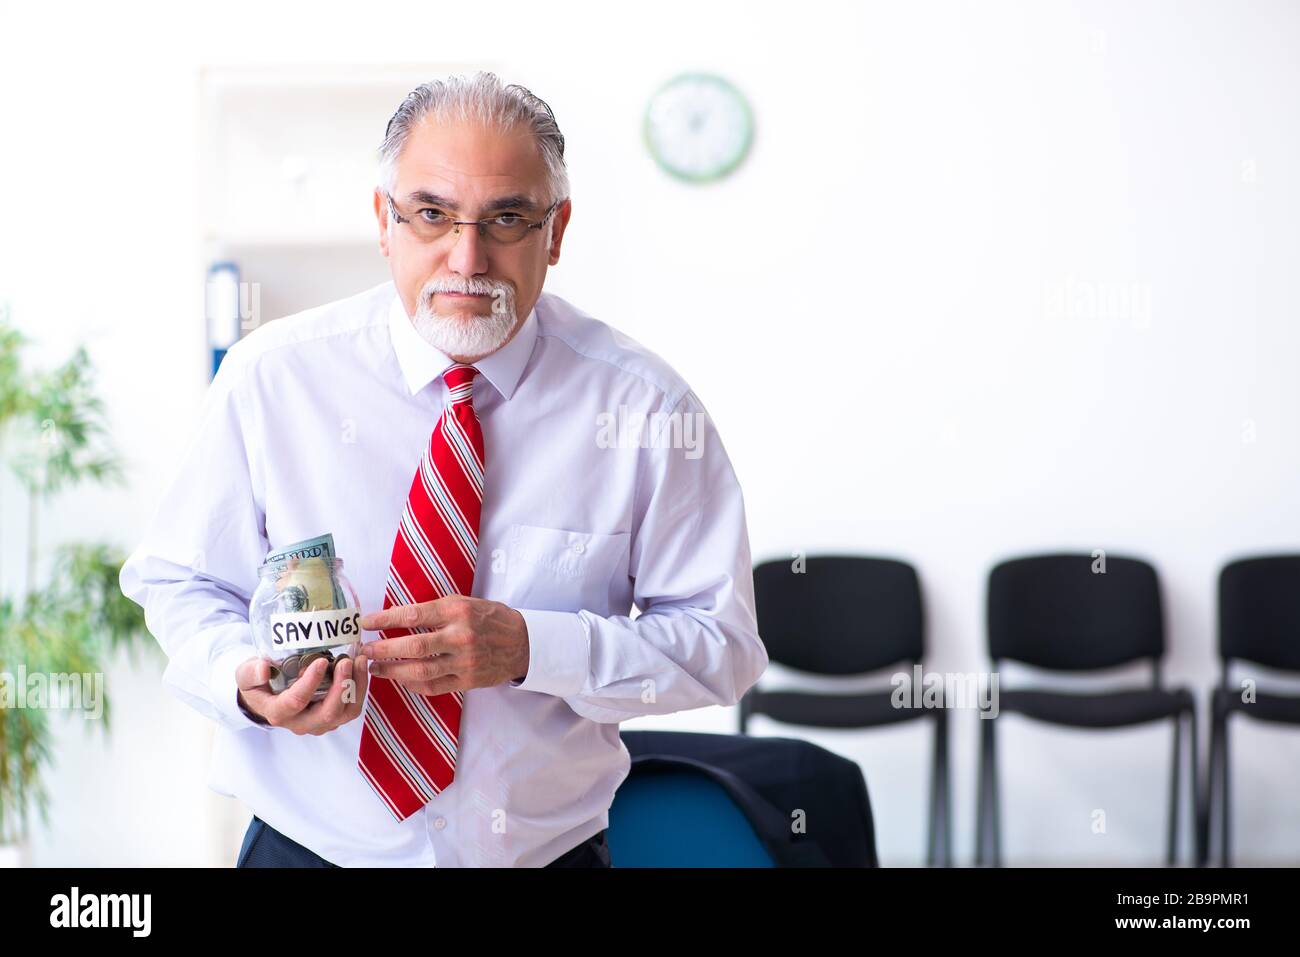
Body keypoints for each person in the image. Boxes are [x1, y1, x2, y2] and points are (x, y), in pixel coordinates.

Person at [119, 71, 768, 867]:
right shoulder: (271, 379)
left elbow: (720, 644)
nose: (468, 257)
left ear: (555, 231)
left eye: (505, 218)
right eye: (432, 214)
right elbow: (180, 581)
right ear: (383, 221)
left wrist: (533, 647)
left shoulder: (646, 409)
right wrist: (240, 679)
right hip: (306, 850)